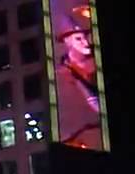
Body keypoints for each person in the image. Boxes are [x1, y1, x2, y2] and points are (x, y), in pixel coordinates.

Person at [53, 5, 104, 150]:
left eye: (86, 37)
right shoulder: (61, 73)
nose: (86, 42)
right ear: (68, 42)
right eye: (78, 38)